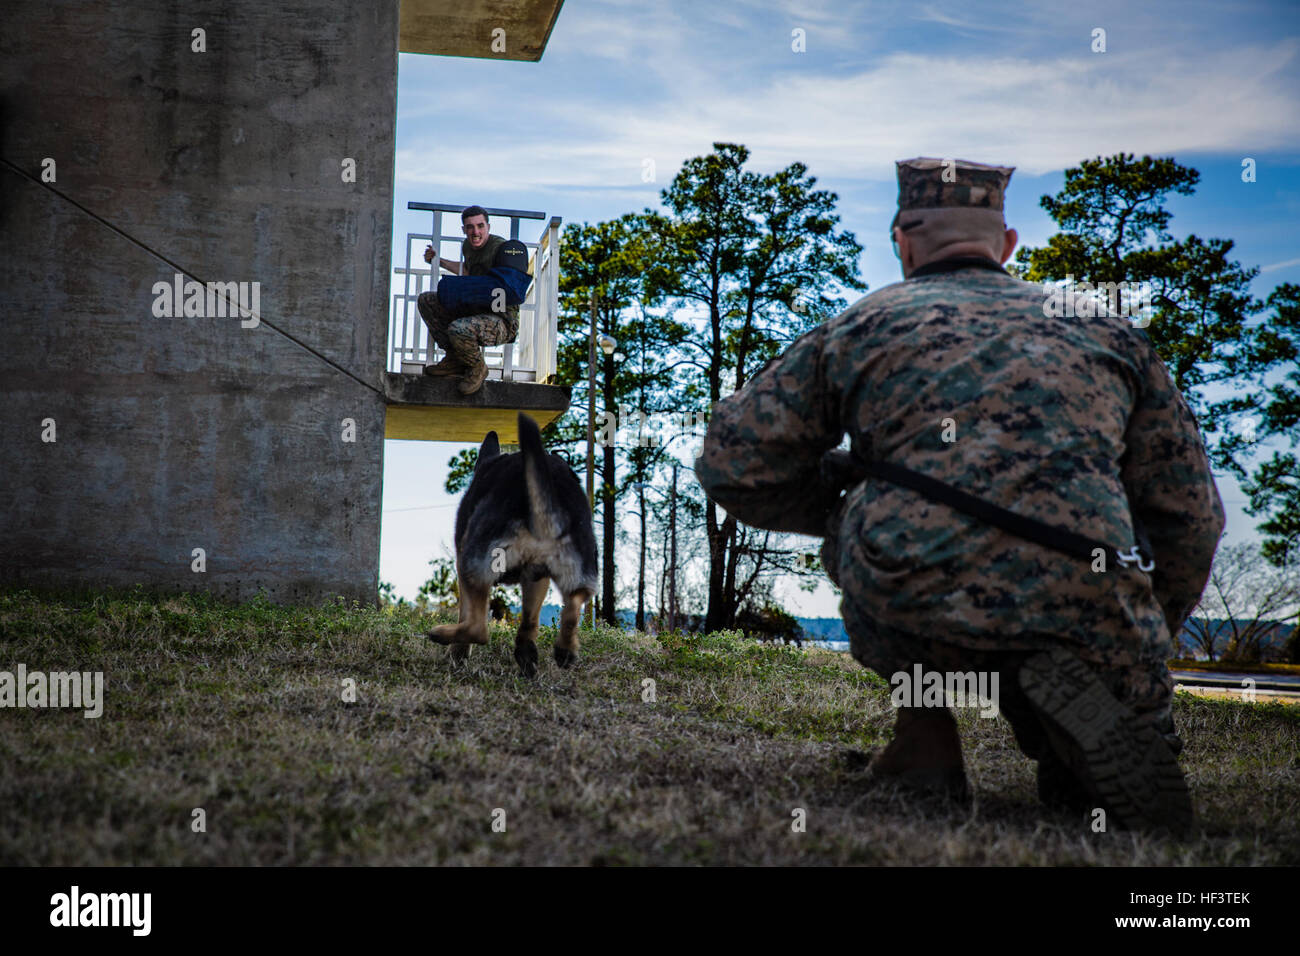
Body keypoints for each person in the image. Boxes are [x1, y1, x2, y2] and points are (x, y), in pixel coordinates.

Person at [693, 157, 1224, 834]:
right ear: (1006, 246)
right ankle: (1078, 713)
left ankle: (926, 743)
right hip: (1090, 591)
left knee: (876, 515)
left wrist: (839, 498)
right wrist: (1144, 622)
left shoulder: (864, 324)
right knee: (1080, 664)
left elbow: (735, 461)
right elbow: (1191, 516)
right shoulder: (1108, 331)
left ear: (903, 240)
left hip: (921, 584)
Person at [417, 205, 522, 395]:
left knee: (459, 328)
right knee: (427, 300)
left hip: (501, 319)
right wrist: (438, 260)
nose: (476, 232)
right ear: (463, 230)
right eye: (470, 227)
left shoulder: (500, 249)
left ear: (488, 227)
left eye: (480, 226)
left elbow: (511, 285)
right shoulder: (468, 246)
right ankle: (455, 359)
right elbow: (467, 270)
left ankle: (477, 368)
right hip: (477, 311)